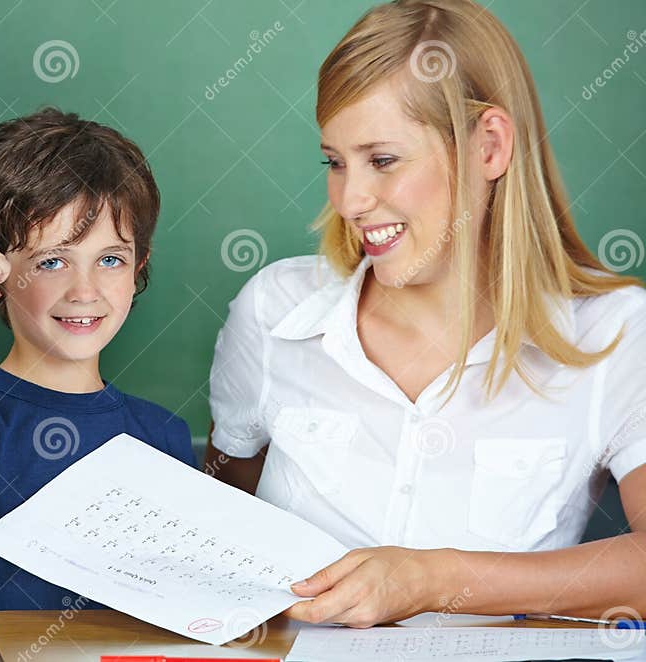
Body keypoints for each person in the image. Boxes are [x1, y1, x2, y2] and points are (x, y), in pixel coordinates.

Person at [207, 0, 646, 628]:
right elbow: (218, 510)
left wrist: (433, 577)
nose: (351, 200)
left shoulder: (615, 333)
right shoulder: (274, 311)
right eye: (334, 162)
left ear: (489, 147)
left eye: (383, 160)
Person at [0, 108, 197, 661]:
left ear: (140, 265)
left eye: (111, 259)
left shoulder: (163, 435)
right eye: (51, 262)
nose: (85, 290)